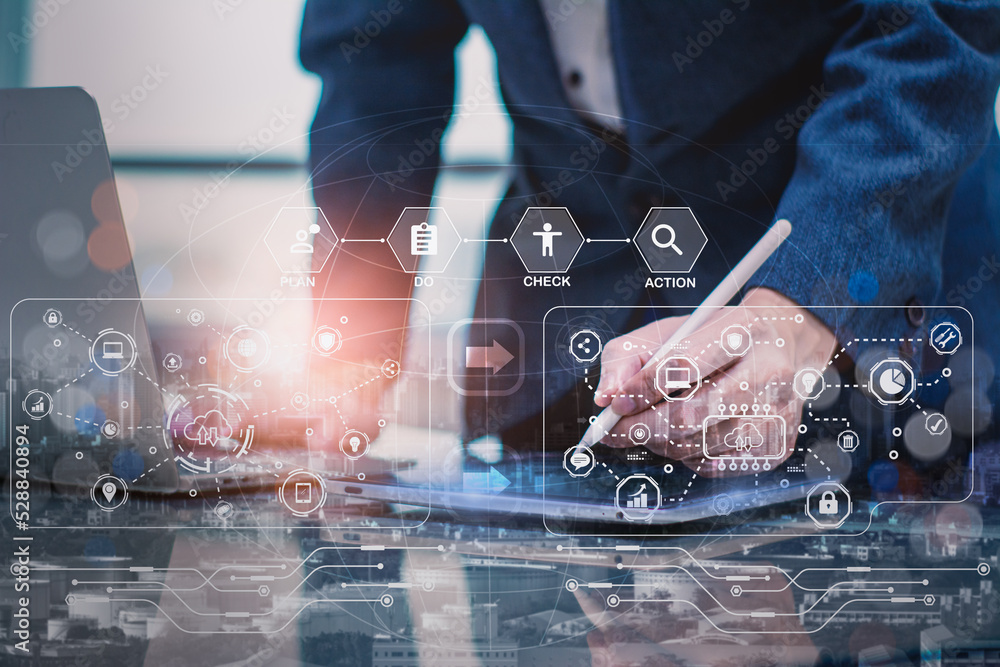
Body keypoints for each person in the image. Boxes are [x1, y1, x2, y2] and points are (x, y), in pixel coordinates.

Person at [300, 1, 1000, 454]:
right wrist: (348, 342)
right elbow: (372, 66)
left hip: (872, 314)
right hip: (556, 346)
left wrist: (807, 295)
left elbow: (932, 29)